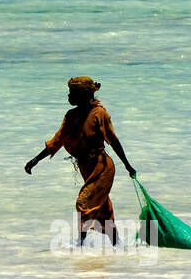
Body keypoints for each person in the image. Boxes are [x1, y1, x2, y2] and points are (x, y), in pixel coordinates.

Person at [24, 77, 136, 246]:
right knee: (103, 208)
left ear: (84, 95)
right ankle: (117, 245)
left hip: (102, 167)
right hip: (86, 167)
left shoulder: (99, 114)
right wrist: (35, 160)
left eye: (73, 93)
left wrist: (127, 165)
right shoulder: (71, 116)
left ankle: (80, 245)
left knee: (83, 203)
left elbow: (113, 141)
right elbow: (57, 141)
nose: (69, 96)